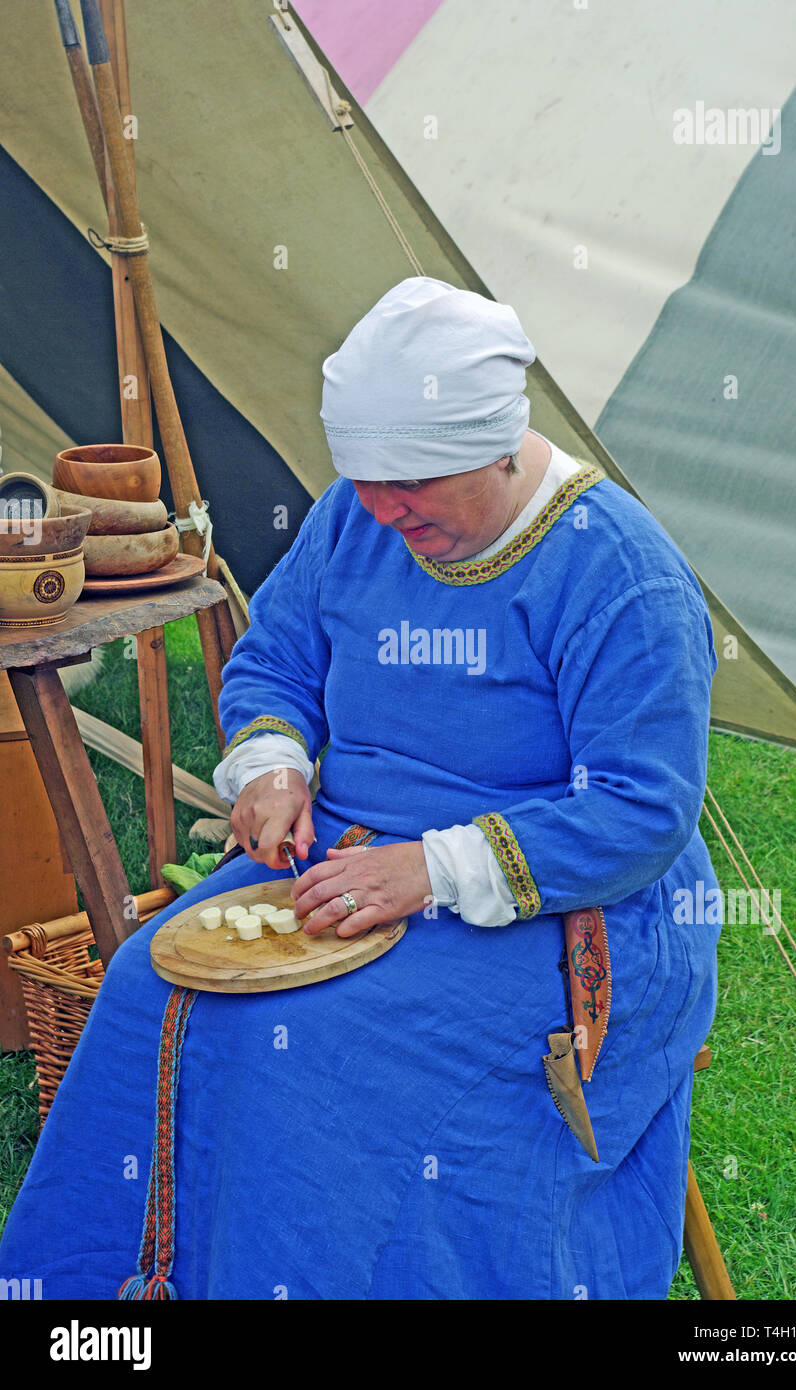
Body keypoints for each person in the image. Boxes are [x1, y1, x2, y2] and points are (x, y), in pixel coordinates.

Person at [0, 277, 721, 1299]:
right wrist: (273, 763)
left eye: (412, 485)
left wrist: (429, 870)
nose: (381, 510)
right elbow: (276, 659)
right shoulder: (357, 517)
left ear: (495, 448)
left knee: (328, 1053)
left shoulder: (618, 575)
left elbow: (637, 811)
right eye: (366, 480)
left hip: (565, 901)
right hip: (347, 857)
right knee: (145, 986)